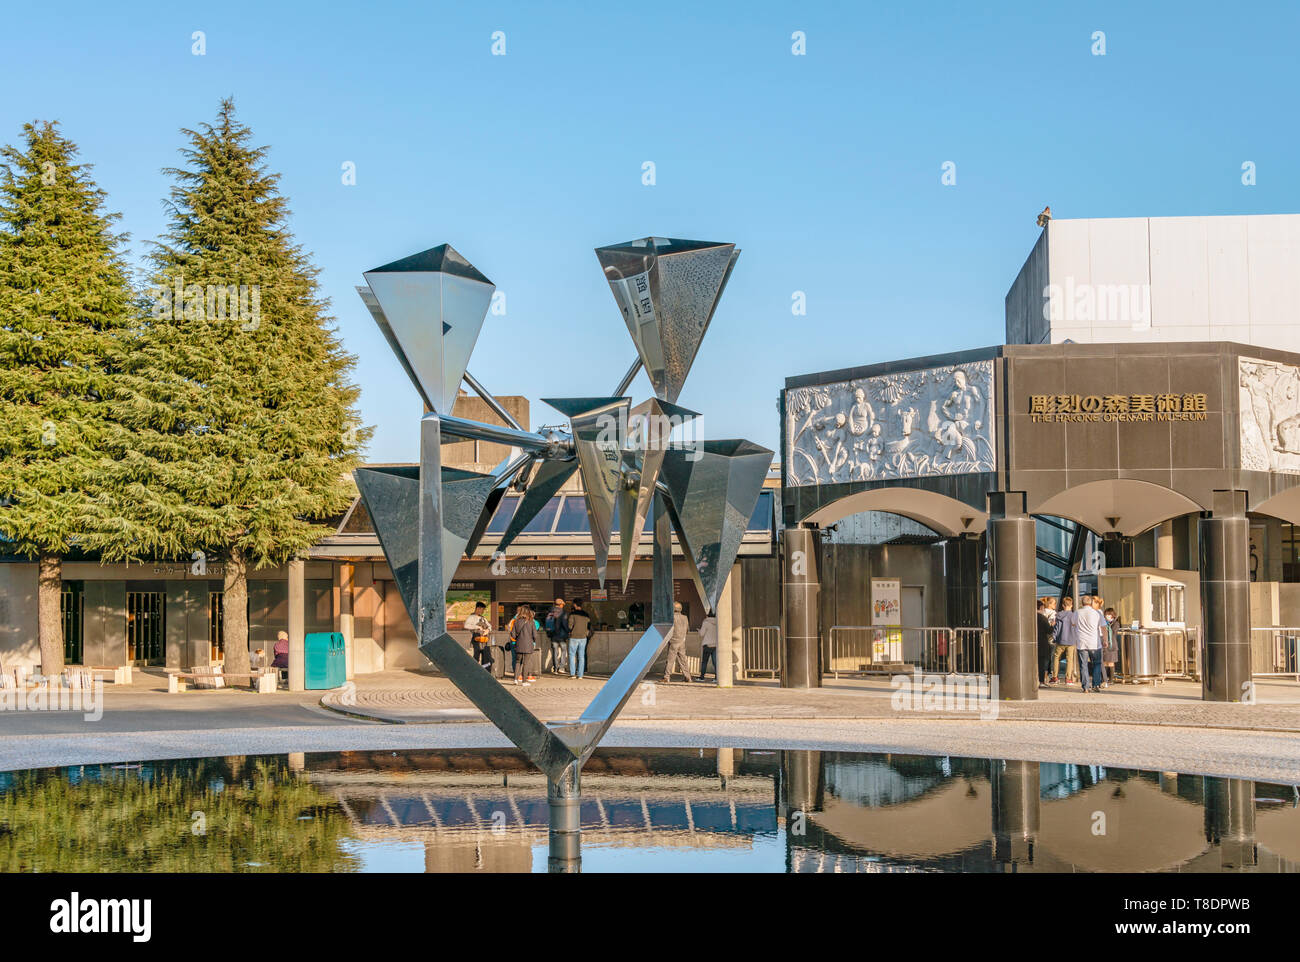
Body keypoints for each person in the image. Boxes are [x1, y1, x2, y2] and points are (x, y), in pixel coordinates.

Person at [1073, 594, 1105, 693]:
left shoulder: (1077, 612)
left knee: (1083, 665)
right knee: (1096, 664)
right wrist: (1105, 640)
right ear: (1091, 603)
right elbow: (1103, 627)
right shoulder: (1097, 613)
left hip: (1082, 642)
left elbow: (1073, 623)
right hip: (1095, 643)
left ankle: (1086, 687)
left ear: (1082, 603)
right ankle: (1095, 685)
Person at [662, 601, 693, 683]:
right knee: (683, 660)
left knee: (670, 660)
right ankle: (688, 677)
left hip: (673, 641)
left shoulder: (671, 618)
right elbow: (687, 630)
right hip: (682, 641)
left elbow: (667, 630)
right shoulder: (685, 617)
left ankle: (666, 677)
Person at [509, 605, 537, 686]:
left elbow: (513, 635)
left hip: (519, 644)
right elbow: (535, 635)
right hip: (528, 645)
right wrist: (533, 641)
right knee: (526, 663)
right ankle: (524, 681)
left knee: (518, 662)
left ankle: (515, 679)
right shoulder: (531, 622)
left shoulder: (516, 621)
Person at [1050, 596, 1076, 685]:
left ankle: (1055, 677)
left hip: (1060, 640)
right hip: (1071, 640)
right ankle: (1068, 678)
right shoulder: (1074, 616)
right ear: (1071, 605)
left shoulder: (1058, 616)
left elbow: (1056, 628)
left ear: (1063, 605)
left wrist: (1054, 637)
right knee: (1070, 660)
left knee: (1056, 658)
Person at [465, 601, 494, 673]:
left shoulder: (483, 618)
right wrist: (477, 627)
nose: (483, 611)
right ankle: (474, 672)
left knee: (486, 659)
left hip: (484, 642)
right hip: (475, 642)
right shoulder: (471, 617)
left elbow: (490, 626)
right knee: (475, 658)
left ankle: (485, 672)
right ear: (478, 608)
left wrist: (488, 630)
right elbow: (466, 625)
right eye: (482, 609)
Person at [544, 598, 570, 674]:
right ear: (561, 604)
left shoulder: (550, 612)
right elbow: (564, 624)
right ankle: (561, 668)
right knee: (563, 650)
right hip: (561, 636)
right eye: (562, 604)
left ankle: (555, 668)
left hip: (553, 635)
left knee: (555, 652)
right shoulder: (563, 612)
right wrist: (568, 631)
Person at [567, 599, 591, 680]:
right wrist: (586, 633)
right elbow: (589, 626)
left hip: (574, 637)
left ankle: (572, 674)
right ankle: (580, 675)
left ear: (575, 604)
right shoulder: (586, 614)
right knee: (581, 656)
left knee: (572, 655)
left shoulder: (572, 614)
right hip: (583, 637)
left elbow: (570, 626)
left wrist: (570, 632)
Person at [1037, 599, 1056, 686]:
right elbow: (1049, 631)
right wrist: (1052, 625)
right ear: (1041, 607)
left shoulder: (1029, 617)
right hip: (1042, 643)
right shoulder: (1042, 618)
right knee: (1041, 663)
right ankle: (1041, 681)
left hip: (1031, 643)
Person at [1101, 605, 1120, 688]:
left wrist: (1108, 627)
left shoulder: (1116, 623)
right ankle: (1104, 679)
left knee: (1111, 662)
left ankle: (1111, 679)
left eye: (1108, 614)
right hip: (1105, 645)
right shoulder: (1104, 623)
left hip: (1112, 645)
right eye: (1106, 614)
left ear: (1112, 615)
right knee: (1104, 662)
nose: (1107, 616)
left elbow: (1114, 633)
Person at [698, 613, 719, 681]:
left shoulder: (706, 622)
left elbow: (701, 634)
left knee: (704, 662)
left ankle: (702, 677)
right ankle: (717, 678)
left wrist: (699, 631)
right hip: (715, 644)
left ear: (707, 615)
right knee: (715, 662)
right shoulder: (718, 622)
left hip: (707, 645)